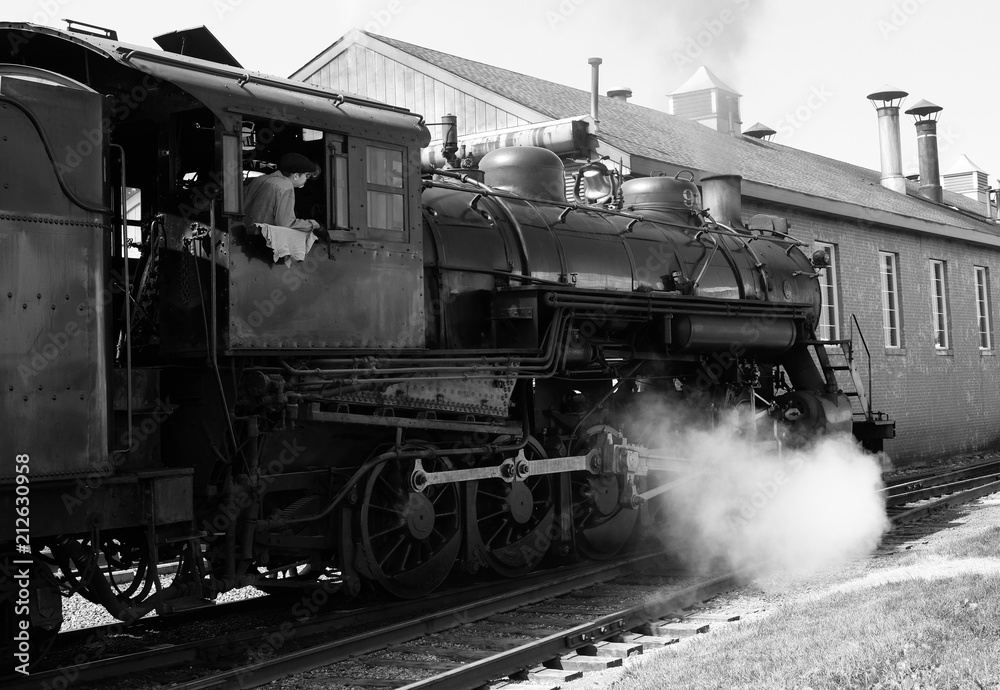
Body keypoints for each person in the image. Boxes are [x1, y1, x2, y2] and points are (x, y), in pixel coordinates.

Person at [243, 152, 323, 232]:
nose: (306, 180)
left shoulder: (260, 179)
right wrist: (314, 225)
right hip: (261, 238)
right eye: (307, 176)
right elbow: (286, 223)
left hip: (243, 233)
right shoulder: (286, 187)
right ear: (296, 176)